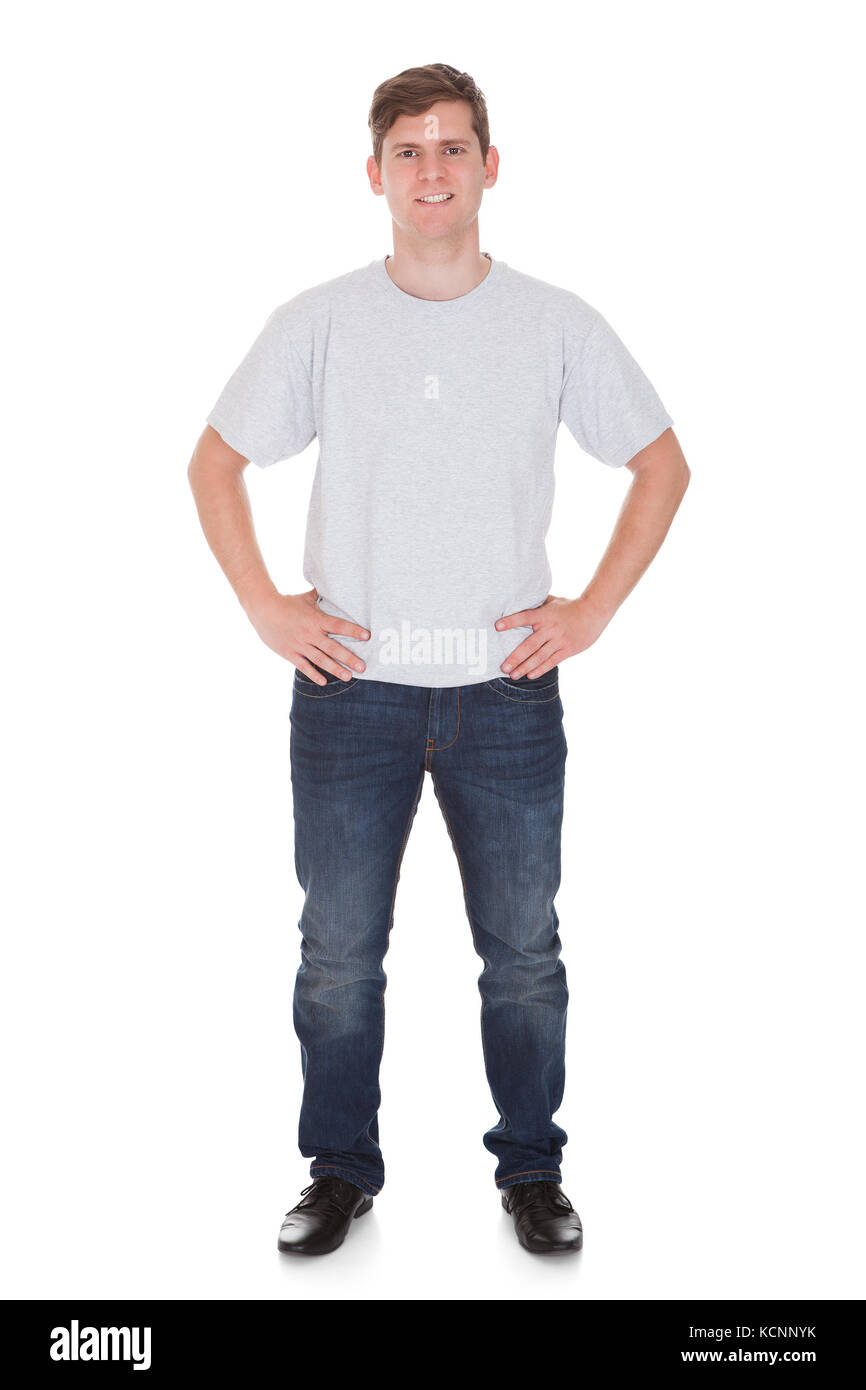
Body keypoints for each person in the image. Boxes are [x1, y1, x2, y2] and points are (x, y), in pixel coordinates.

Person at [187, 62, 690, 1258]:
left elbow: (662, 463)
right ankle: (338, 1172)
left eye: (452, 147)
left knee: (521, 951)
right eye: (407, 151)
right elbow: (213, 463)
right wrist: (264, 605)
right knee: (338, 953)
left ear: (489, 167)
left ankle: (530, 1171)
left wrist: (591, 611)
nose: (430, 169)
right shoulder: (318, 320)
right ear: (374, 174)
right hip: (348, 689)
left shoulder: (554, 321)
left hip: (505, 693)